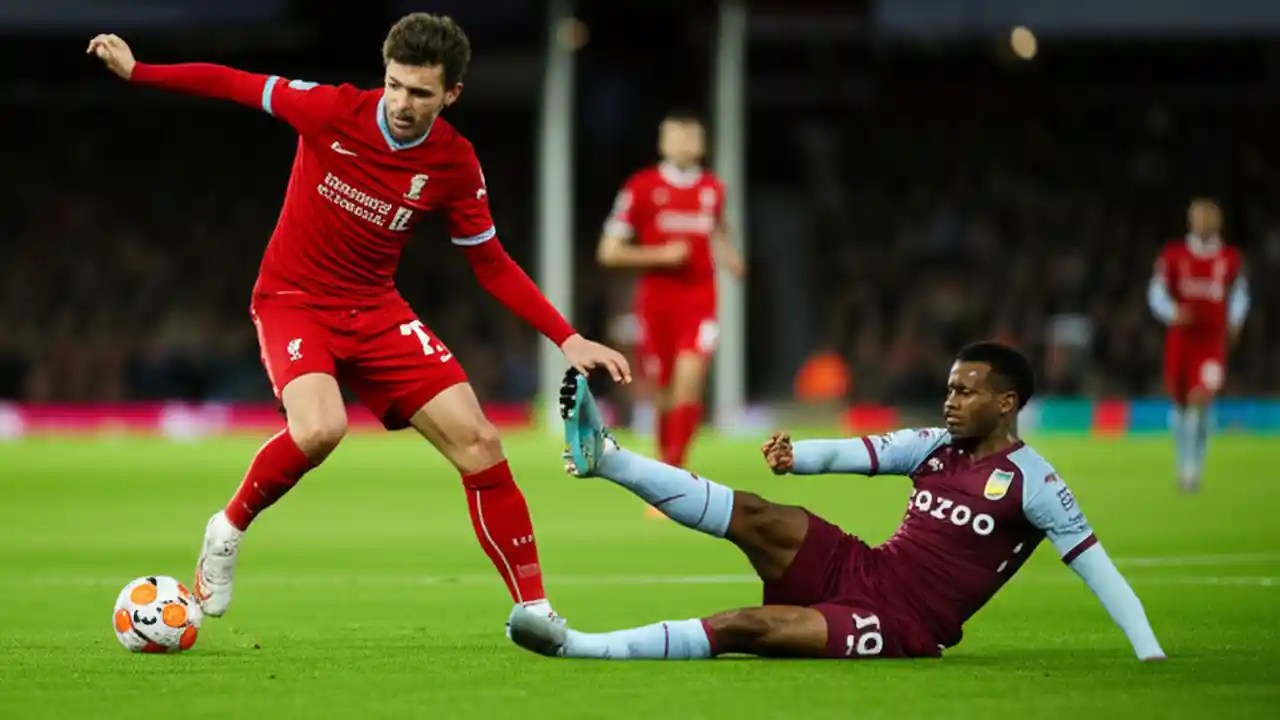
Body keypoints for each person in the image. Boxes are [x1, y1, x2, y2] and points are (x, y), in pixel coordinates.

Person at [87, 13, 630, 627]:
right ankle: (228, 527)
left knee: (480, 441)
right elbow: (233, 83)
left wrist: (569, 337)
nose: (402, 102)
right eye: (395, 84)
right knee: (321, 429)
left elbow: (492, 264)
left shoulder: (455, 163)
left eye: (421, 92)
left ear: (451, 94)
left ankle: (535, 609)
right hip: (292, 299)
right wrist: (140, 72)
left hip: (374, 308)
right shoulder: (329, 110)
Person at [508, 342, 1165, 662]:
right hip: (864, 570)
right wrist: (801, 457)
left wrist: (1149, 652)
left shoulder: (1036, 483)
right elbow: (864, 452)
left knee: (751, 627)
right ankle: (611, 459)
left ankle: (577, 647)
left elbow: (1096, 568)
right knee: (760, 515)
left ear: (1006, 404)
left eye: (966, 392)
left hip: (905, 624)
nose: (950, 401)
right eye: (949, 389)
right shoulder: (933, 446)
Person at [597, 110, 744, 470]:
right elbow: (608, 251)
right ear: (664, 144)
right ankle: (665, 463)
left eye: (694, 137)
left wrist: (729, 258)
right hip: (657, 301)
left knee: (689, 381)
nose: (689, 143)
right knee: (663, 391)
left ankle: (677, 470)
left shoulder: (712, 189)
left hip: (700, 298)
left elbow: (718, 230)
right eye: (680, 136)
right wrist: (660, 254)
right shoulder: (641, 188)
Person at [1148, 197, 1249, 493]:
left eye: (1210, 218)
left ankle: (1193, 471)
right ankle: (1183, 464)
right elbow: (1155, 292)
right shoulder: (1173, 255)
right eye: (1199, 217)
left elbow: (1241, 293)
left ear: (1218, 223)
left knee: (1200, 398)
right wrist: (1171, 312)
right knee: (1180, 403)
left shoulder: (1230, 258)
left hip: (1211, 341)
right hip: (1181, 339)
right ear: (1190, 221)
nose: (1204, 223)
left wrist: (1236, 320)